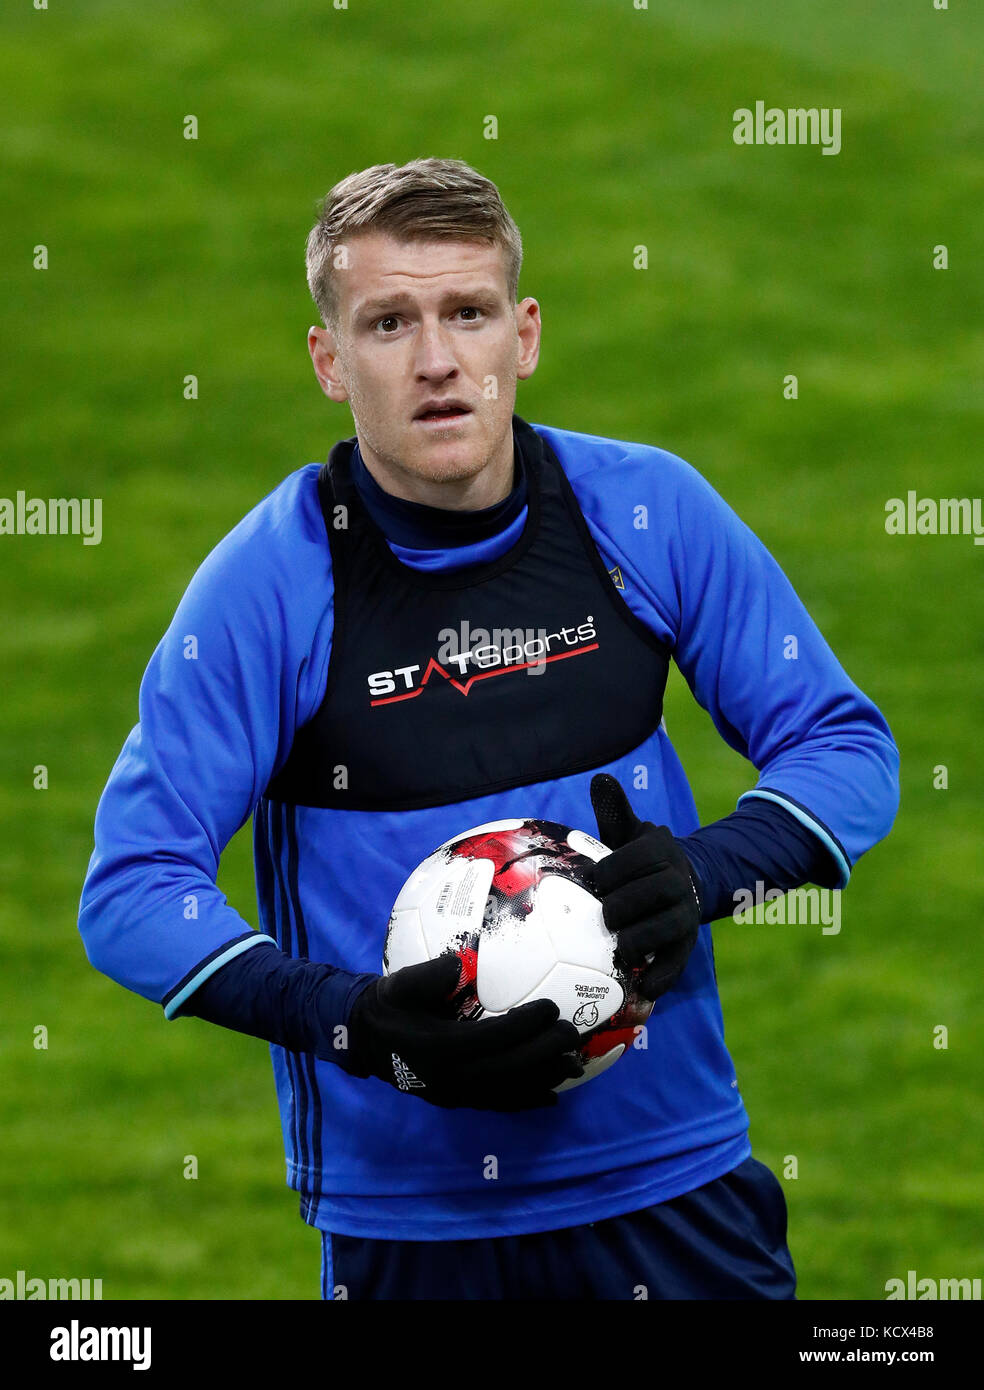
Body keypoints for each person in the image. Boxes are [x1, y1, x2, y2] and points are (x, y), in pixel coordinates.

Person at [78, 157, 899, 1301]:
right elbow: (130, 892)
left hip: (673, 1184)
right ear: (328, 360)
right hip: (415, 1226)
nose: (435, 360)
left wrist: (704, 873)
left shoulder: (645, 512)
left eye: (466, 313)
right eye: (387, 323)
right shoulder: (270, 586)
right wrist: (358, 1023)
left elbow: (847, 746)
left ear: (525, 335)